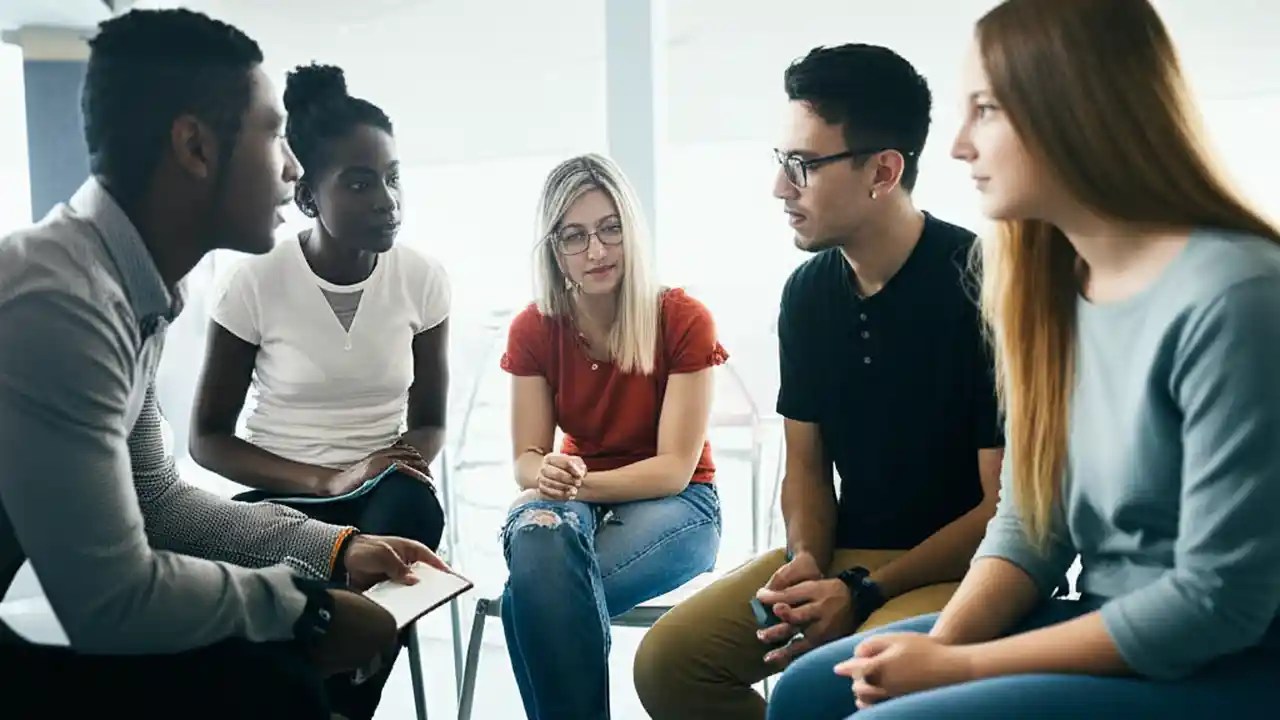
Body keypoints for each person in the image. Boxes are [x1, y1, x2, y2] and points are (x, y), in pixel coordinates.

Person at [767, 1, 1280, 718]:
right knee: (808, 693)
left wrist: (961, 665)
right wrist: (936, 652)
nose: (956, 147)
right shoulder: (1051, 290)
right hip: (1105, 619)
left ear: (1074, 112)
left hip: (1232, 661)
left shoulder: (1236, 293)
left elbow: (1220, 602)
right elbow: (1030, 523)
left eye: (986, 110)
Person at [0, 10, 446, 719]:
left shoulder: (124, 292)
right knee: (271, 680)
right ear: (196, 147)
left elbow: (159, 504)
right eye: (274, 135)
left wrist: (338, 549)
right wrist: (310, 611)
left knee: (269, 674)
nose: (293, 170)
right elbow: (110, 599)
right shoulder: (58, 302)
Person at [634, 44, 1004, 719]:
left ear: (883, 171)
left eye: (802, 165)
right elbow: (805, 466)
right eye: (782, 163)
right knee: (669, 665)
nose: (781, 187)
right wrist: (807, 559)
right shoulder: (807, 293)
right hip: (847, 555)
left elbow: (1002, 511)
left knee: (839, 678)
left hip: (965, 566)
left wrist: (864, 590)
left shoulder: (984, 285)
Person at [190, 61, 449, 720]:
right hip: (282, 494)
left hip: (383, 496)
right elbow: (207, 439)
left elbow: (430, 424)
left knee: (411, 518)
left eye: (392, 179)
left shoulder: (421, 279)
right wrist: (326, 481)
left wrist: (381, 466)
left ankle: (334, 702)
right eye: (360, 184)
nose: (386, 201)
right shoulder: (252, 283)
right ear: (307, 196)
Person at [499, 153, 725, 719]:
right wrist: (544, 473)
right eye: (575, 236)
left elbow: (674, 467)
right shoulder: (534, 326)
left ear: (632, 229)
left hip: (680, 505)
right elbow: (527, 459)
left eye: (610, 228)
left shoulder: (681, 317)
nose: (596, 251)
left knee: (528, 597)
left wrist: (567, 486)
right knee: (539, 542)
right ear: (555, 249)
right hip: (581, 496)